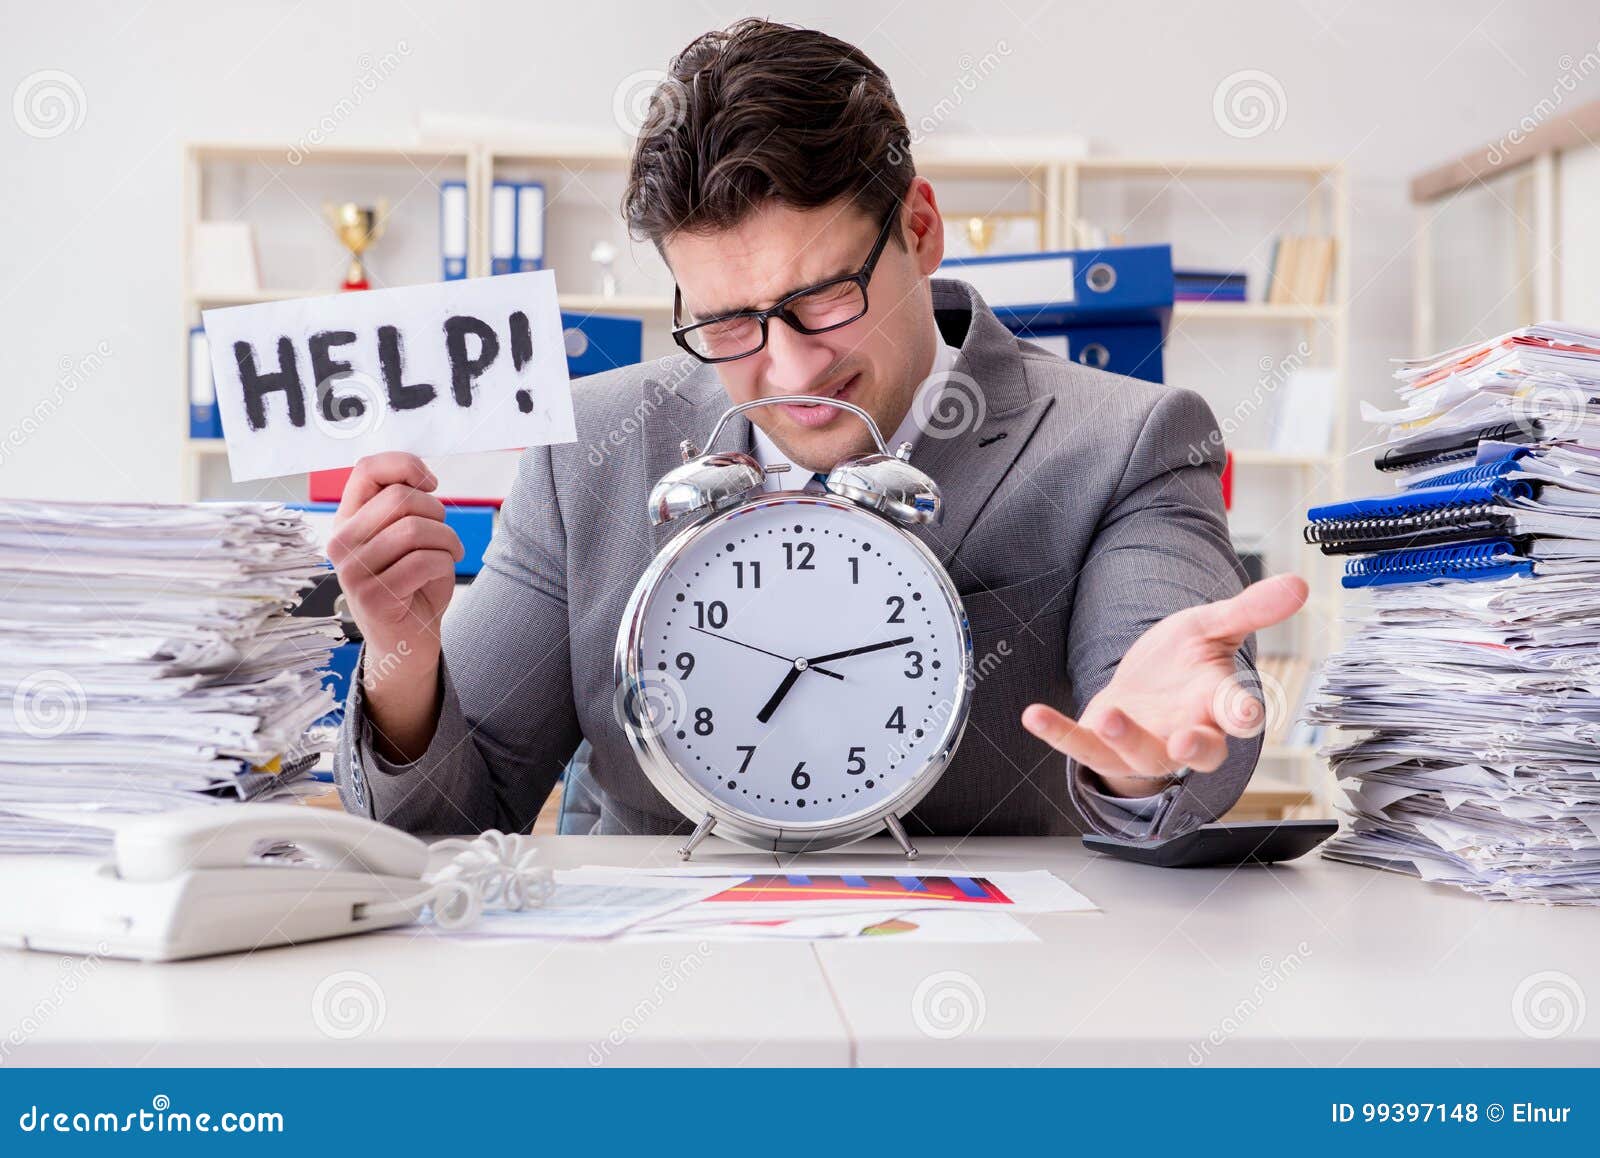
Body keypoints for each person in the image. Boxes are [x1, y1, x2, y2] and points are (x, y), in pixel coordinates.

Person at [332, 18, 1307, 839]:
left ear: (919, 229)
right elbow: (452, 821)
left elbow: (1169, 714)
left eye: (828, 297)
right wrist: (405, 663)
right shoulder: (587, 451)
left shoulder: (1128, 441)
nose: (790, 369)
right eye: (727, 322)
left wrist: (1144, 764)